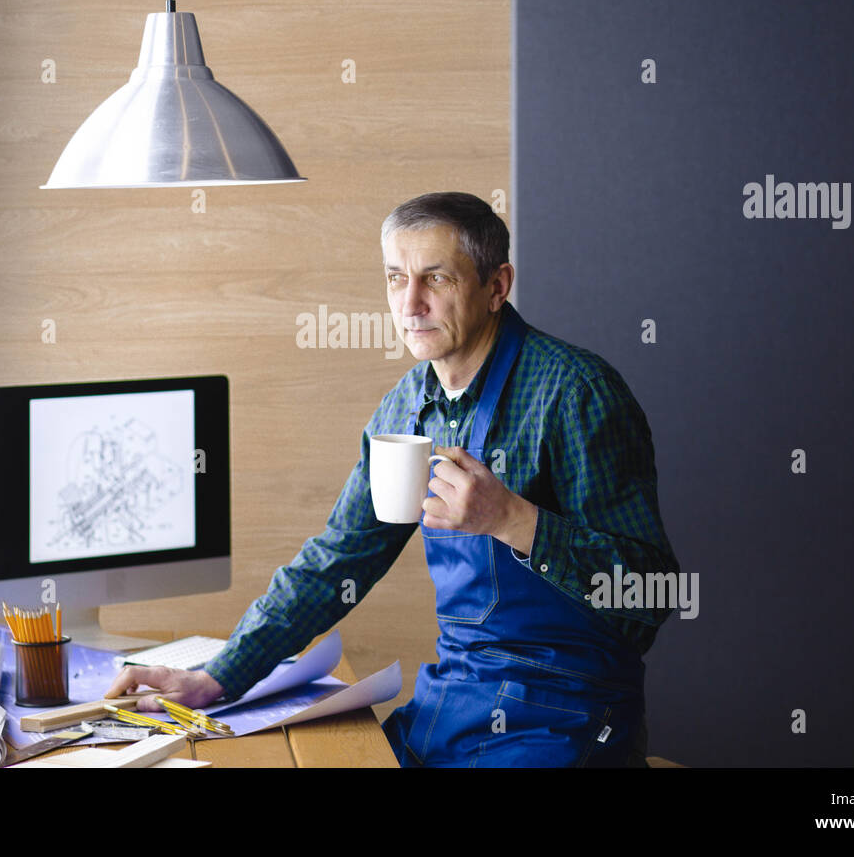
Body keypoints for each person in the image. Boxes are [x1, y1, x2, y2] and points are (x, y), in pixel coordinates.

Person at [106, 191, 679, 766]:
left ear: (497, 286)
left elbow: (654, 591)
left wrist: (514, 520)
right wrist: (220, 676)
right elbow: (338, 560)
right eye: (395, 278)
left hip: (566, 715)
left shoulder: (577, 392)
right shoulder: (406, 407)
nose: (411, 304)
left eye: (436, 278)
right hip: (453, 702)